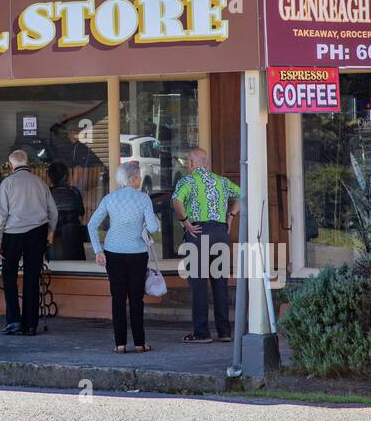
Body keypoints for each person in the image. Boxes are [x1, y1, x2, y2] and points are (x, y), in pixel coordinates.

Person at [88, 161, 160, 353]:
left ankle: (119, 344)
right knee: (137, 298)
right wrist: (148, 225)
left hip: (113, 252)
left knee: (118, 298)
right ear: (134, 178)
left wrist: (98, 250)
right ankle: (139, 343)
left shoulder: (110, 198)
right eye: (138, 176)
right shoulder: (144, 199)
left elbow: (91, 225)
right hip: (137, 253)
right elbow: (153, 228)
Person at [172, 147, 240, 343]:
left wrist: (185, 222)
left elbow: (176, 200)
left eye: (188, 161)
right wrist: (231, 216)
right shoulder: (221, 181)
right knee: (220, 283)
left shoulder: (188, 181)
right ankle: (224, 331)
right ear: (206, 163)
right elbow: (242, 195)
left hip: (198, 232)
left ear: (192, 163)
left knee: (198, 283)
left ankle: (202, 333)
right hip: (220, 233)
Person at [0, 149, 57, 336]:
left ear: (11, 165)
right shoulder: (40, 183)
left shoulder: (7, 183)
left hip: (13, 234)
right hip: (38, 232)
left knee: (9, 276)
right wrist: (49, 231)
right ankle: (30, 324)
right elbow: (53, 212)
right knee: (32, 278)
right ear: (27, 163)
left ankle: (13, 321)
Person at [47, 160, 86, 260]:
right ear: (66, 176)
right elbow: (82, 212)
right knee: (76, 269)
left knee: (56, 269)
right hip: (74, 235)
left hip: (55, 238)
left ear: (50, 177)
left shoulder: (47, 193)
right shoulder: (74, 191)